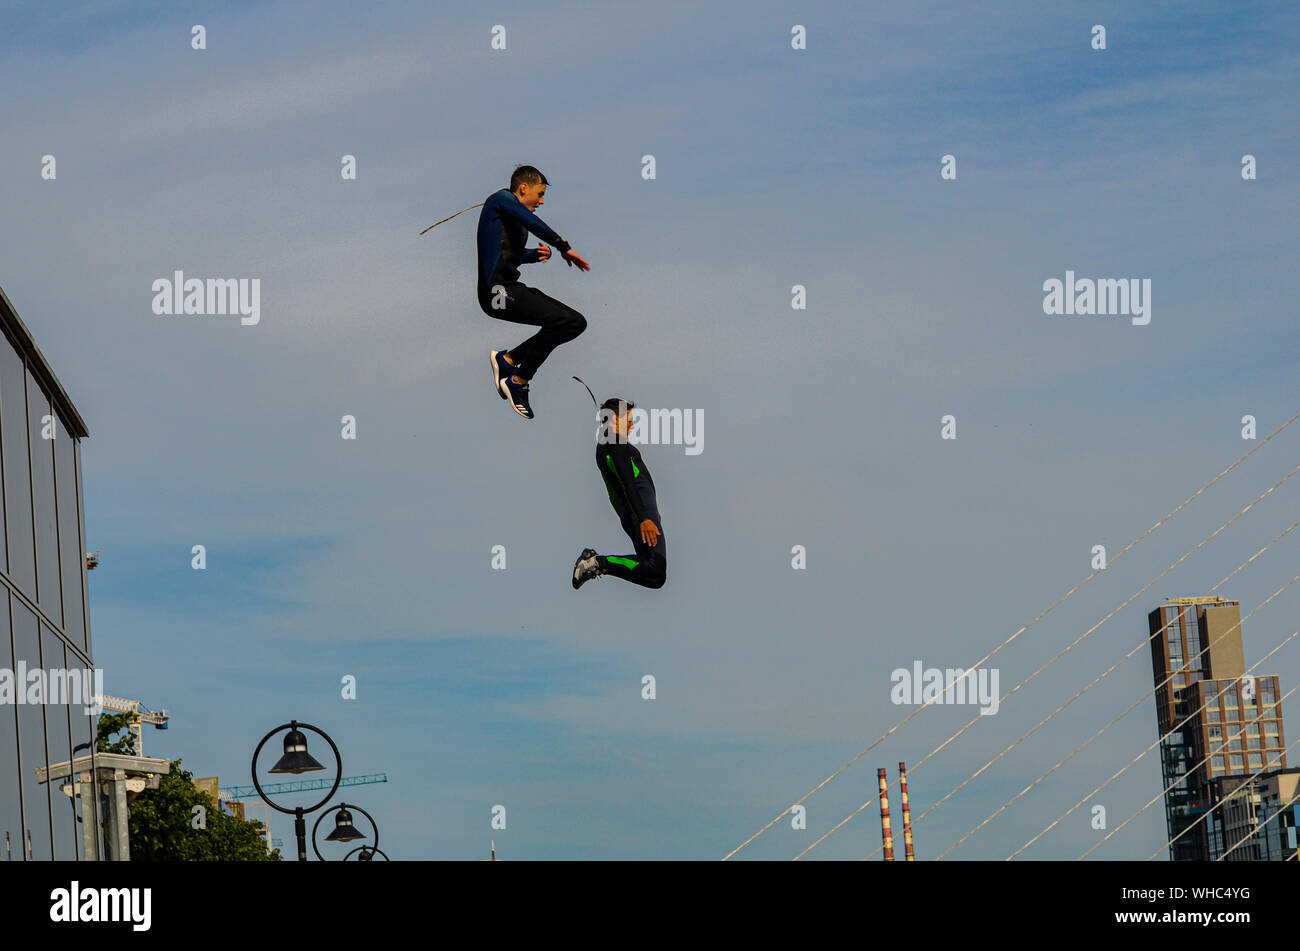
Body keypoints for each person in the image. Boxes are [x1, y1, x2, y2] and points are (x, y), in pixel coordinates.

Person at [477, 165, 591, 419]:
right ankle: (517, 380)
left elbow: (506, 255)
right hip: (495, 293)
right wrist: (561, 246)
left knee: (574, 323)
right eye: (539, 194)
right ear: (523, 187)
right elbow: (531, 220)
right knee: (562, 321)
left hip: (510, 289)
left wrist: (533, 255)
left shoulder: (510, 218)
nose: (540, 202)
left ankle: (508, 361)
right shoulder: (500, 200)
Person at [572, 398, 666, 590]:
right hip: (641, 514)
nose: (632, 425)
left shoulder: (606, 443)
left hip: (634, 513)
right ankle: (596, 562)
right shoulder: (615, 442)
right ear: (614, 418)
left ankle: (599, 564)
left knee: (655, 577)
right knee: (655, 568)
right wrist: (644, 518)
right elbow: (629, 483)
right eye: (628, 420)